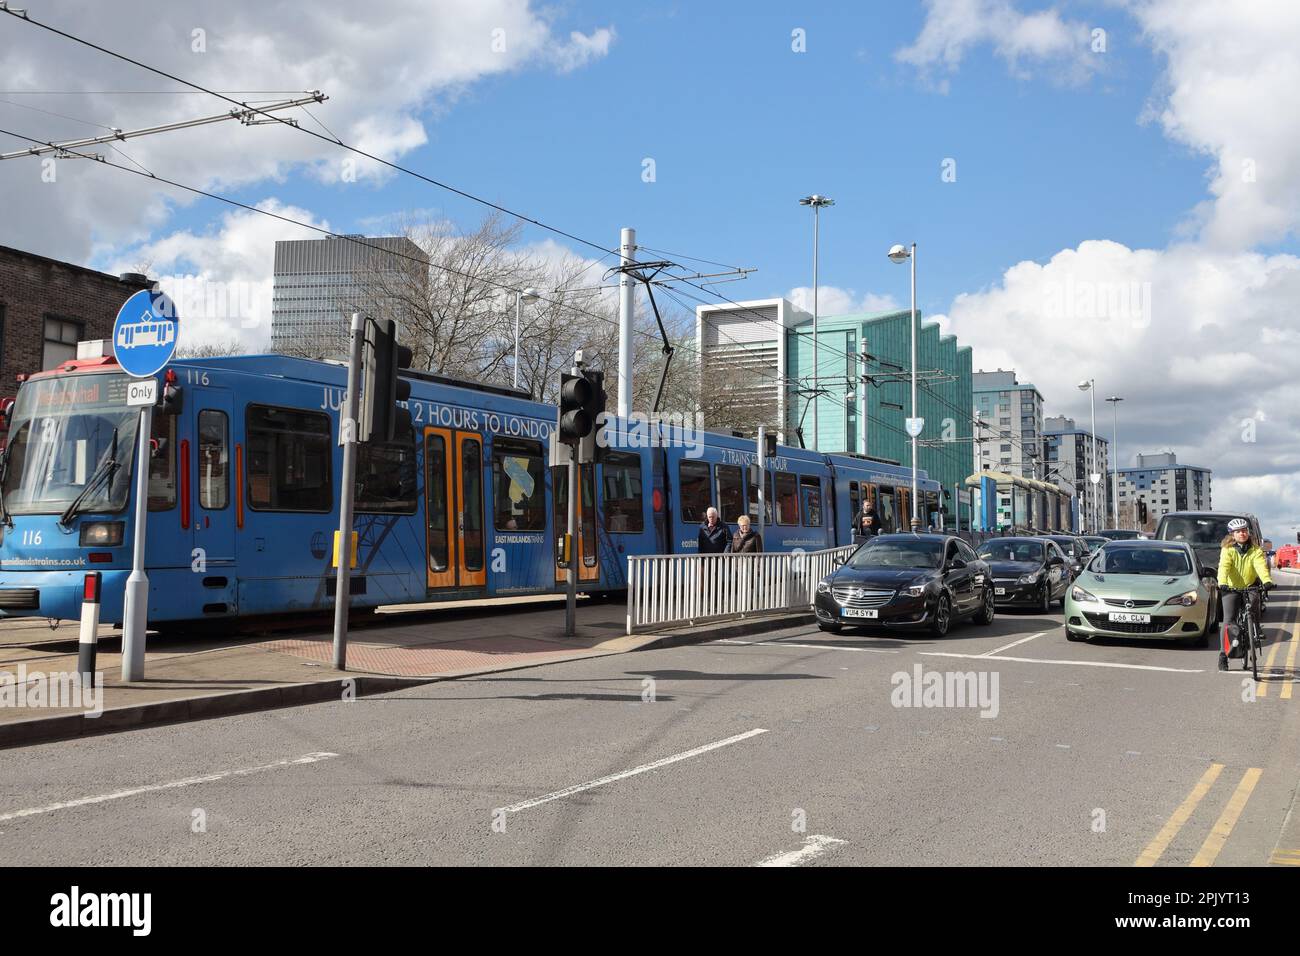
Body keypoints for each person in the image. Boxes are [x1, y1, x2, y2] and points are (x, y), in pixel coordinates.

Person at [1217, 518, 1275, 671]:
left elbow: (1260, 566)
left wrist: (1267, 580)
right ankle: (1223, 655)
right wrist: (1222, 583)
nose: (1242, 533)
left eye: (1244, 530)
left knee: (1255, 605)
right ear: (1232, 534)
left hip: (1250, 586)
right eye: (1238, 531)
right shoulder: (1227, 549)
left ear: (1248, 532)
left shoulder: (1255, 549)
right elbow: (1224, 567)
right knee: (1228, 620)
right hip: (1230, 587)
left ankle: (1255, 628)